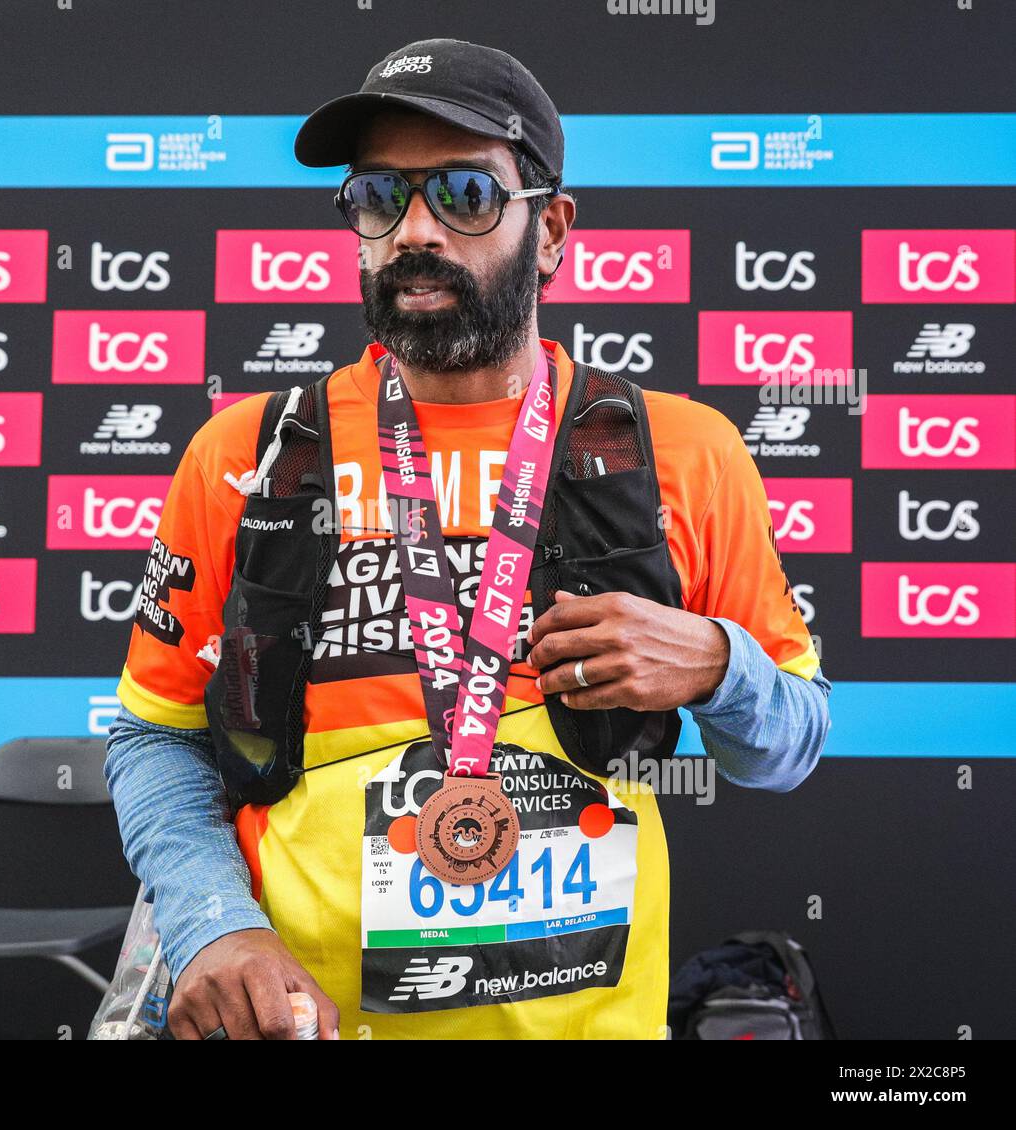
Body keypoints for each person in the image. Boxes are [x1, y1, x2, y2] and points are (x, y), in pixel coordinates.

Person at [105, 37, 830, 1041]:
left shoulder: (682, 448)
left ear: (553, 227)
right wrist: (213, 927)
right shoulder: (251, 451)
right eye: (378, 197)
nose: (414, 231)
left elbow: (785, 745)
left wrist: (717, 663)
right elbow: (155, 733)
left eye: (463, 193)